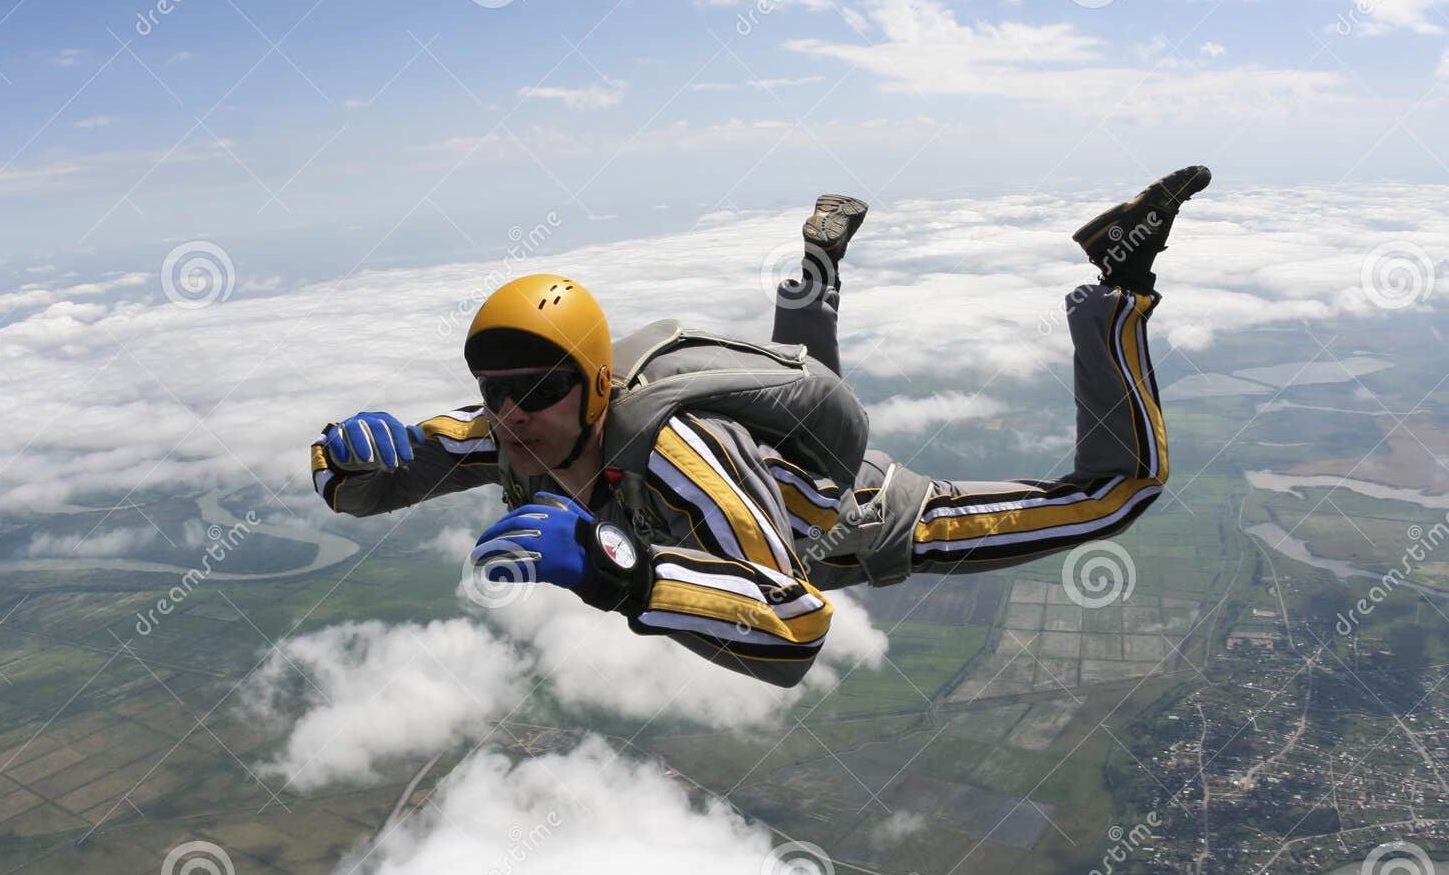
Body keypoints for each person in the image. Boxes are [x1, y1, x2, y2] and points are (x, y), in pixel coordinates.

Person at [310, 168, 1211, 688]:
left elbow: (794, 622)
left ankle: (1115, 295)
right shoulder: (514, 432)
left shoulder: (679, 464)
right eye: (490, 390)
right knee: (813, 396)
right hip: (782, 461)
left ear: (593, 385)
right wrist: (344, 457)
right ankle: (814, 268)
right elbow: (369, 479)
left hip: (856, 517)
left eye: (536, 389)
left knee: (1117, 496)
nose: (509, 415)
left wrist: (625, 574)